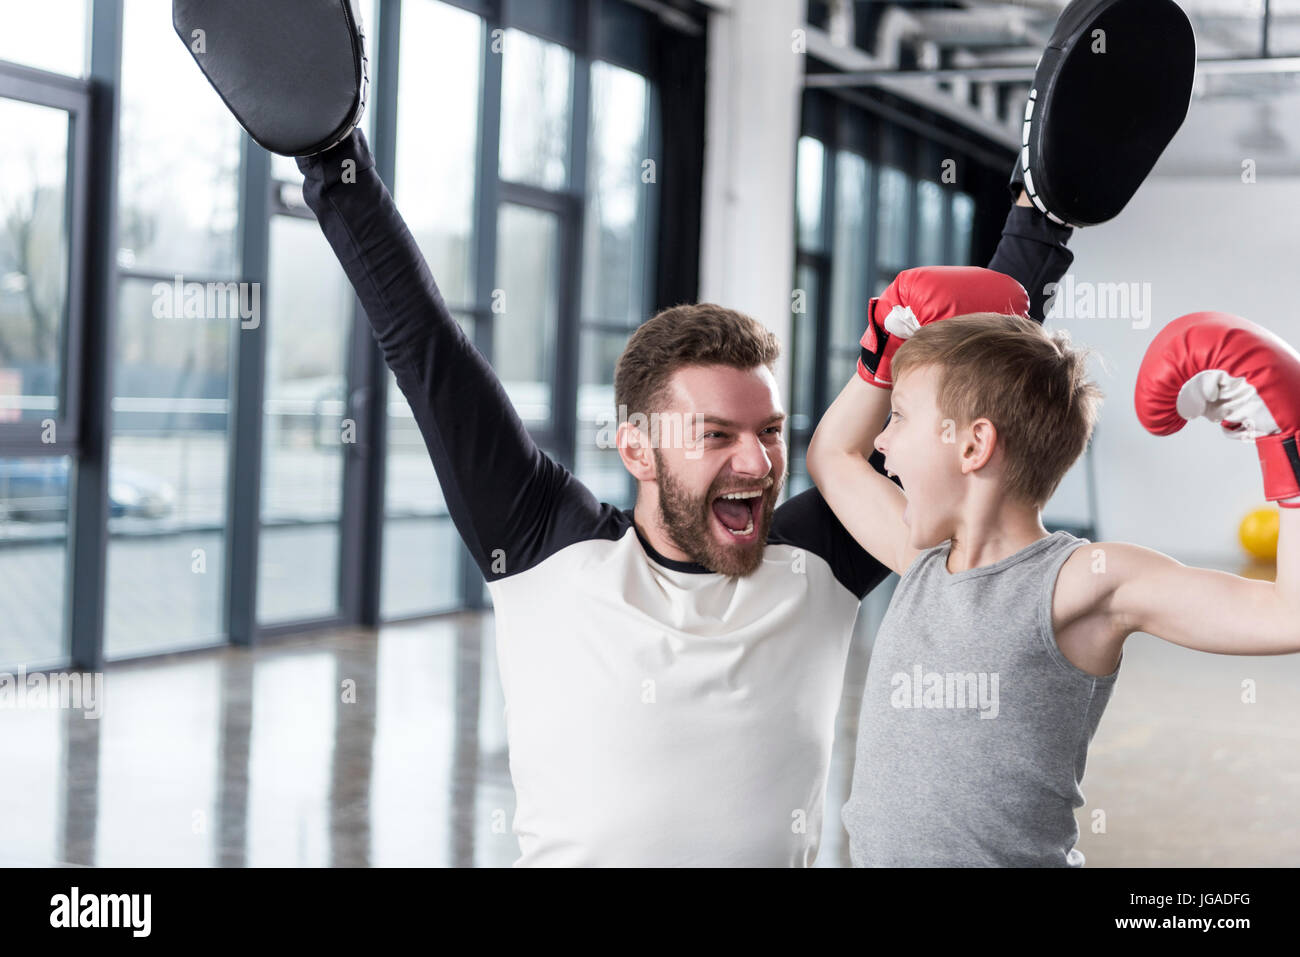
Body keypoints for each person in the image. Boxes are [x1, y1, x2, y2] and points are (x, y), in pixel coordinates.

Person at [806, 301, 1300, 866]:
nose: (883, 442)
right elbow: (833, 456)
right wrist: (879, 352)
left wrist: (1289, 437)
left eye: (899, 417)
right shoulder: (919, 559)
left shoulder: (1079, 583)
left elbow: (1290, 614)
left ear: (973, 445)